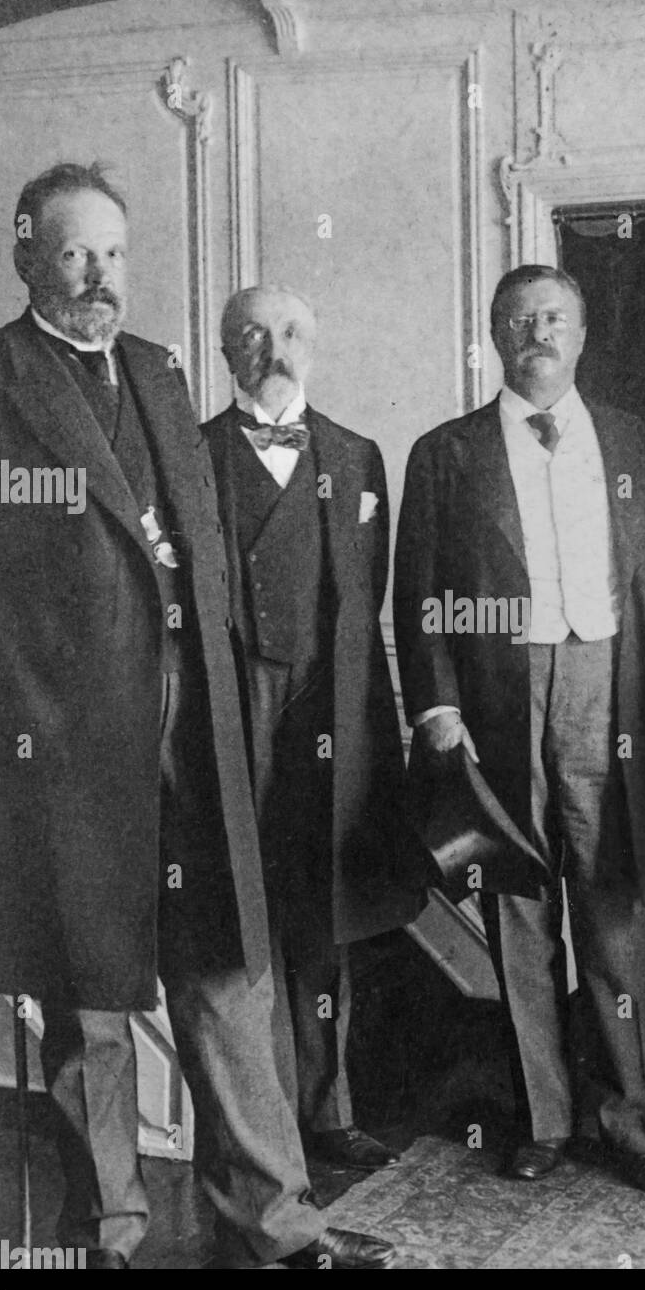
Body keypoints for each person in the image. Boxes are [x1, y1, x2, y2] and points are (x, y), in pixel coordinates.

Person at [0, 163, 396, 1269]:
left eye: (113, 254)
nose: (97, 276)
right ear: (27, 254)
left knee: (224, 975)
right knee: (90, 1002)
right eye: (73, 252)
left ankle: (274, 1225)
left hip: (192, 741)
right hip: (63, 751)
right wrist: (7, 713)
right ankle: (107, 1235)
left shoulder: (161, 373)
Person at [393, 263, 645, 1196]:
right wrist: (437, 704)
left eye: (556, 318)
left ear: (582, 336)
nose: (540, 332)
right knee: (517, 902)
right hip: (496, 692)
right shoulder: (446, 452)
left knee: (613, 900)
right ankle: (545, 1118)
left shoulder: (634, 442)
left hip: (609, 684)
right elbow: (419, 595)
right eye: (522, 318)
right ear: (496, 335)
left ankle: (633, 1122)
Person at [202, 284, 419, 1172]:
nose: (272, 346)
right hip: (233, 700)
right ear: (226, 354)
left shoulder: (357, 456)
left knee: (323, 913)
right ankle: (265, 1127)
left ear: (313, 345)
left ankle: (330, 1115)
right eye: (251, 334)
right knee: (238, 915)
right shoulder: (192, 451)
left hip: (331, 705)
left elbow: (367, 598)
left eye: (289, 331)